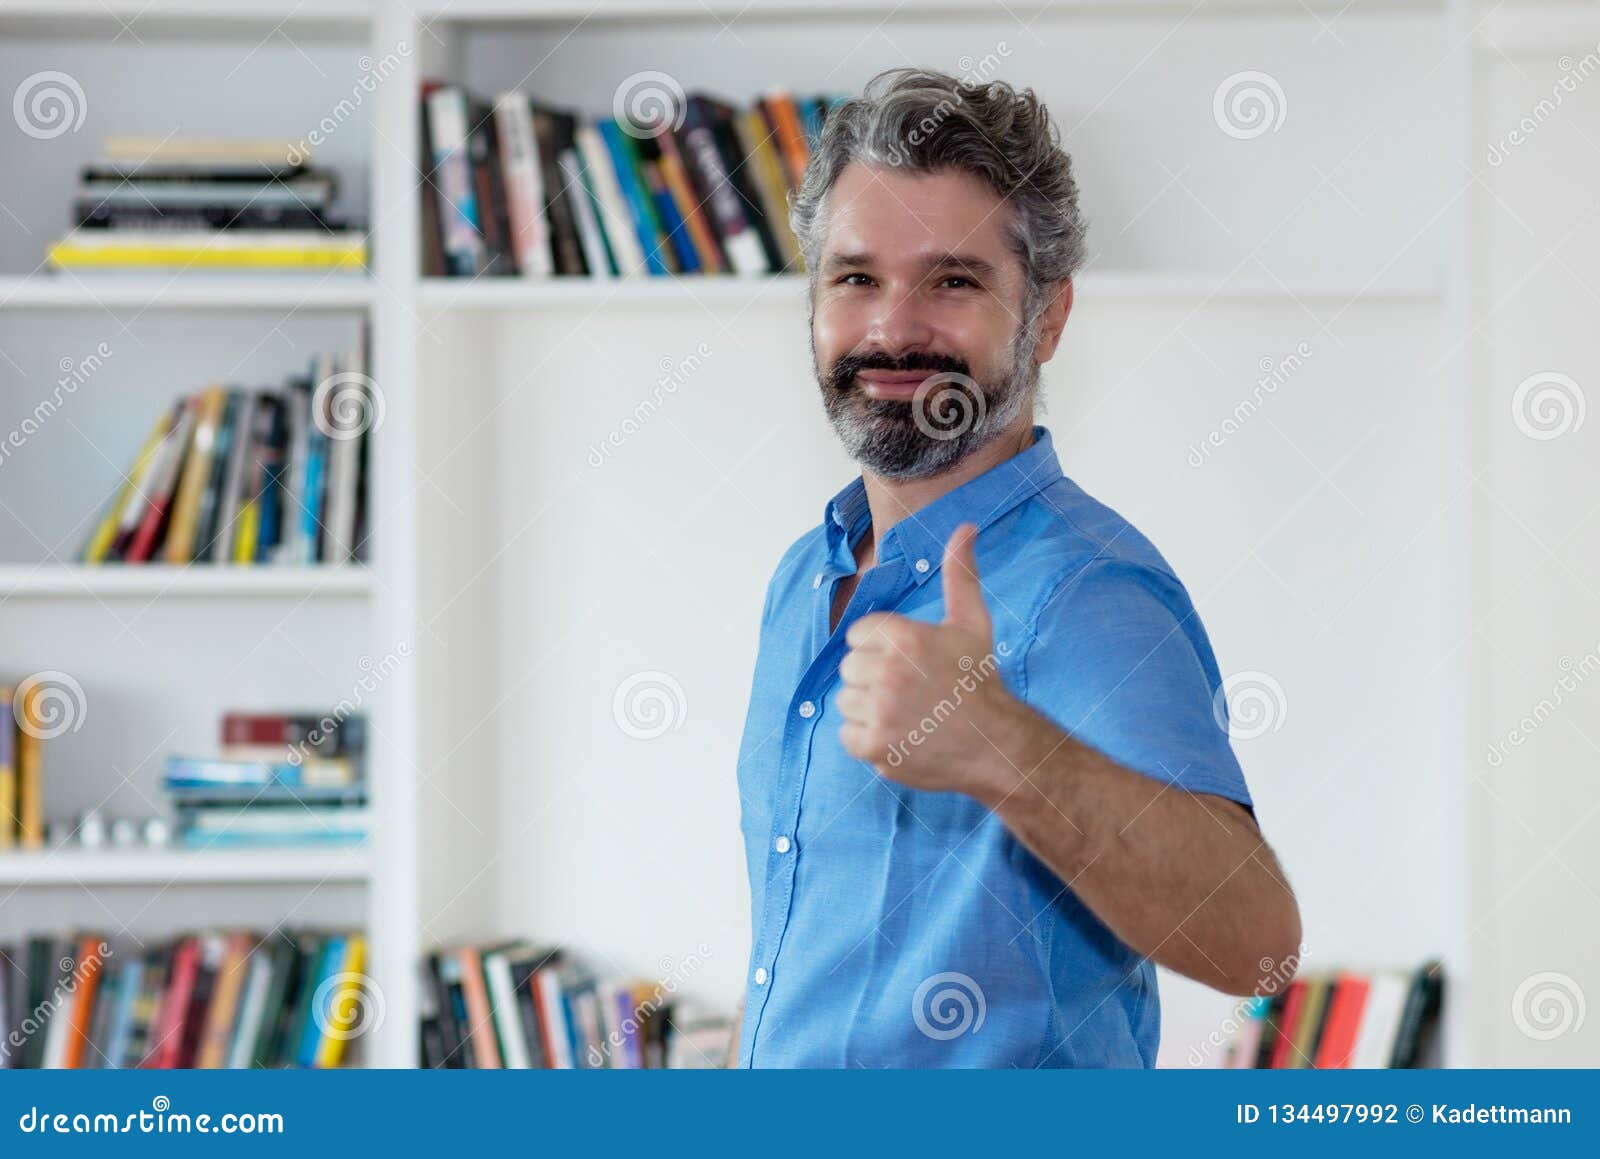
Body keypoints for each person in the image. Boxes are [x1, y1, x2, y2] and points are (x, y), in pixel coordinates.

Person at [731, 68, 1300, 1068]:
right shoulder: (805, 574)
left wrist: (998, 745)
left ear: (1046, 316)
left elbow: (1255, 941)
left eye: (952, 281)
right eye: (855, 278)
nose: (892, 328)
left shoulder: (1088, 591)